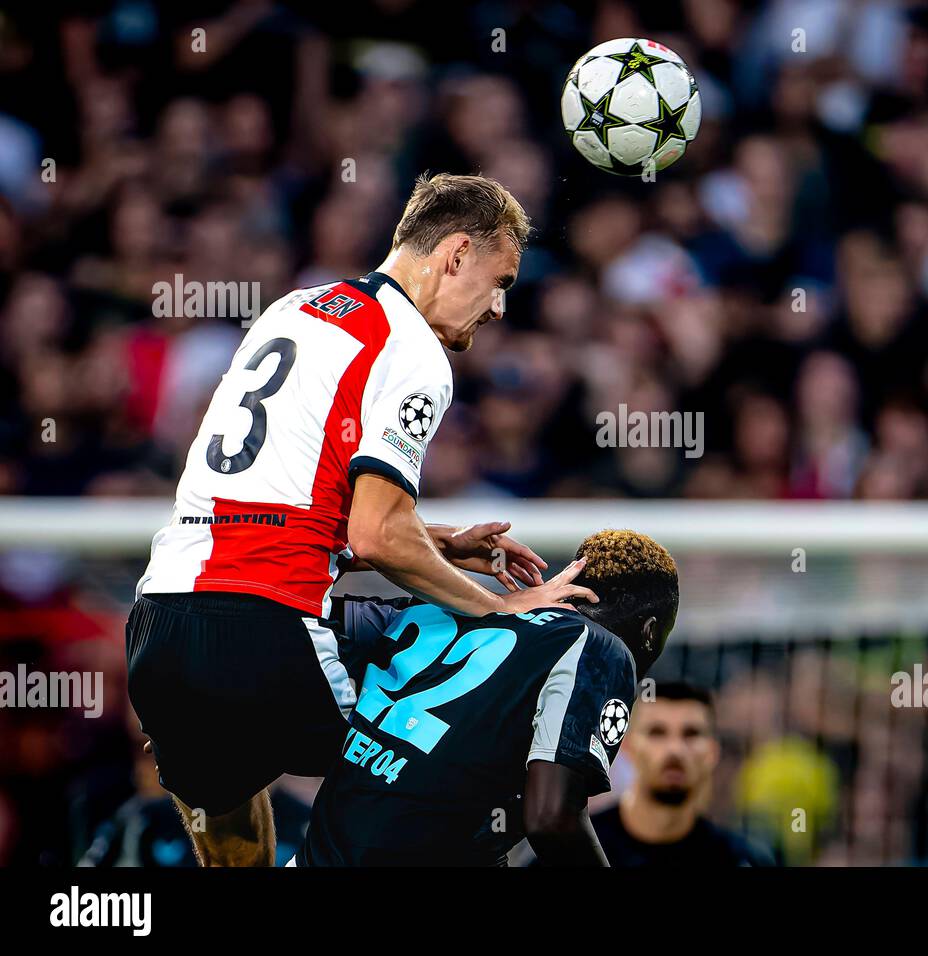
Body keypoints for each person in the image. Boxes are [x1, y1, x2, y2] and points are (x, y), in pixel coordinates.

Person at [125, 172, 597, 867]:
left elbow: (280, 501)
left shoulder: (294, 308)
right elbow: (376, 533)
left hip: (160, 629)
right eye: (500, 280)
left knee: (233, 854)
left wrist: (434, 541)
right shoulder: (412, 351)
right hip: (268, 628)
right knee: (471, 783)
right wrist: (503, 608)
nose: (498, 307)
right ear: (457, 254)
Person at [295, 530, 678, 866]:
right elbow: (550, 819)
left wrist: (432, 545)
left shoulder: (449, 605)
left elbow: (299, 613)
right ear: (649, 632)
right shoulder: (602, 650)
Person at [590, 681, 775, 866]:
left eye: (691, 734)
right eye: (657, 733)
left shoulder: (744, 859)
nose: (675, 750)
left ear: (712, 752)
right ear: (627, 747)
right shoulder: (581, 847)